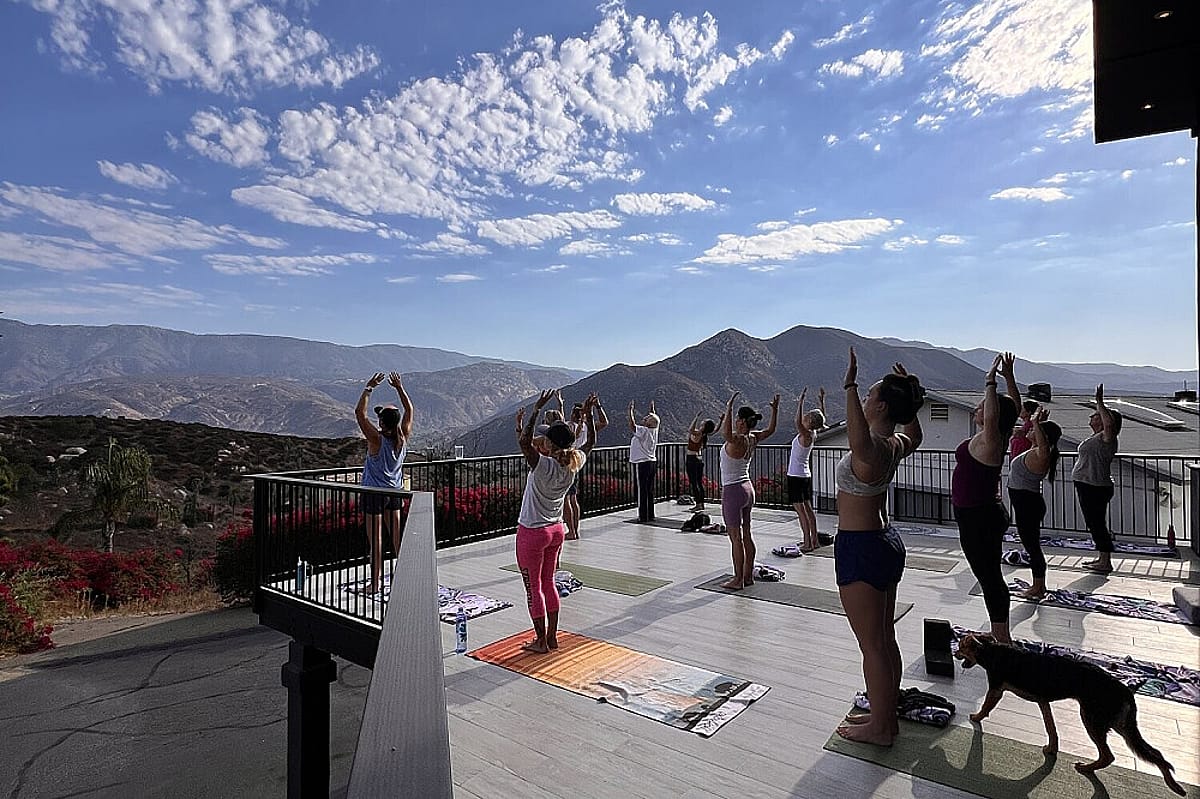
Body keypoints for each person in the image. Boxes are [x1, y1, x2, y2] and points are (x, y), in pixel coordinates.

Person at [835, 347, 924, 747]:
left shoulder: (871, 450)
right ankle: (886, 717)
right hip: (885, 542)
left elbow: (857, 438)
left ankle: (881, 727)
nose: (866, 399)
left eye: (871, 395)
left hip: (863, 547)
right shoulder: (893, 445)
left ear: (881, 405)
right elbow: (916, 434)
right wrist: (911, 401)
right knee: (884, 639)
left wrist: (850, 384)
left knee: (871, 644)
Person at [515, 390, 597, 653]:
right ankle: (552, 637)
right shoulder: (572, 464)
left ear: (549, 444)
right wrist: (589, 415)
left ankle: (540, 641)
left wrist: (536, 408)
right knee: (549, 583)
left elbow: (526, 442)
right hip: (556, 529)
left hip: (532, 532)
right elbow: (590, 442)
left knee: (533, 589)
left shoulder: (543, 465)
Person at [952, 353, 1021, 644]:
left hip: (978, 517)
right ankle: (999, 633)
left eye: (982, 407)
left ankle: (1002, 640)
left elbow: (1000, 413)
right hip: (981, 514)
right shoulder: (995, 437)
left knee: (990, 578)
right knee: (990, 575)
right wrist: (1009, 378)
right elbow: (1014, 408)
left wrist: (990, 382)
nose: (978, 409)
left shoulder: (991, 439)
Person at [354, 371, 413, 595]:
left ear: (381, 422)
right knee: (397, 537)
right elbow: (409, 410)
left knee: (376, 540)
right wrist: (399, 388)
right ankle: (404, 577)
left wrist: (369, 388)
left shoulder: (376, 440)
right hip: (395, 493)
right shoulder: (403, 437)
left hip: (373, 494)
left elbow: (359, 414)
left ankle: (375, 583)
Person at [718, 391, 779, 589]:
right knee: (747, 534)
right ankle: (748, 576)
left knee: (735, 538)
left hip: (733, 492)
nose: (735, 421)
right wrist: (775, 411)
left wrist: (728, 408)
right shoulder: (753, 438)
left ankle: (738, 580)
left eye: (737, 419)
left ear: (742, 421)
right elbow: (770, 430)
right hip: (747, 489)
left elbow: (725, 434)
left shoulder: (738, 440)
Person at [1008, 408, 1062, 599]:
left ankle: (1039, 587)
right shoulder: (1035, 451)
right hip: (1026, 502)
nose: (1029, 430)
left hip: (1028, 504)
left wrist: (1037, 424)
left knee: (1032, 547)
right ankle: (1037, 584)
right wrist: (1036, 423)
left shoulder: (1042, 453)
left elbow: (1042, 442)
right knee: (1030, 544)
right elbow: (1028, 433)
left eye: (1034, 430)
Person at [1073, 384, 1122, 574]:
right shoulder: (1097, 437)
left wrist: (1100, 402)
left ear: (1102, 420)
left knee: (1097, 523)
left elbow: (1110, 424)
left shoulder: (1107, 437)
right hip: (1088, 484)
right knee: (1094, 522)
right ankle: (1102, 557)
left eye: (1094, 415)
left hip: (1095, 486)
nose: (1091, 417)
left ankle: (1105, 561)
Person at [787, 386, 827, 552]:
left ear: (810, 422)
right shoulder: (813, 434)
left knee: (801, 512)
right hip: (805, 475)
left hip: (796, 476)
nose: (804, 416)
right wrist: (821, 402)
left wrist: (800, 401)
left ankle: (807, 543)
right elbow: (821, 419)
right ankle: (814, 540)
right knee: (808, 510)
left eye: (807, 416)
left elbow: (797, 422)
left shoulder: (806, 434)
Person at [564, 396, 609, 540]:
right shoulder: (586, 427)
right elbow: (604, 422)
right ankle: (575, 529)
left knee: (567, 499)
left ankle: (571, 530)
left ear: (572, 413)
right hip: (578, 461)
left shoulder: (569, 426)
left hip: (567, 462)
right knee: (573, 498)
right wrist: (597, 407)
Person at [628, 399, 659, 523]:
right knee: (649, 489)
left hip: (642, 462)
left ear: (649, 424)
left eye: (646, 419)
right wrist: (652, 410)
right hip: (651, 461)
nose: (644, 419)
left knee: (642, 490)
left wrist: (630, 411)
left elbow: (632, 425)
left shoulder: (644, 431)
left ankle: (643, 516)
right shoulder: (654, 430)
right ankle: (651, 514)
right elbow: (655, 420)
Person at [685, 411, 719, 512]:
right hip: (699, 459)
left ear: (704, 426)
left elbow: (690, 429)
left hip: (692, 459)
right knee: (699, 483)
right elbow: (715, 431)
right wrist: (720, 421)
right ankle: (701, 504)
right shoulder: (704, 434)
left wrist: (696, 417)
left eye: (703, 422)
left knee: (694, 482)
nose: (702, 422)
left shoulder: (698, 433)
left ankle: (698, 504)